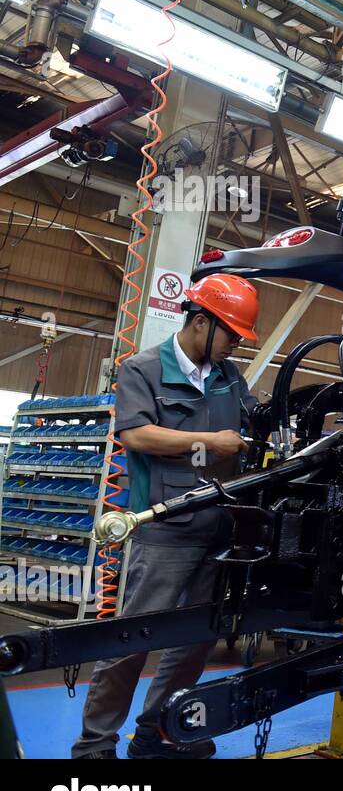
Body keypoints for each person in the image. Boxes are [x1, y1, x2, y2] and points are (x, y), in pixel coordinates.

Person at [72, 274, 259, 759]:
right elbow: (135, 436)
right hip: (163, 529)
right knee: (133, 639)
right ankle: (94, 748)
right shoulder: (142, 368)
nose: (235, 345)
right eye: (231, 334)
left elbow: (257, 421)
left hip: (219, 526)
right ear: (201, 323)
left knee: (195, 640)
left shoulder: (230, 378)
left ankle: (157, 735)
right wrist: (211, 442)